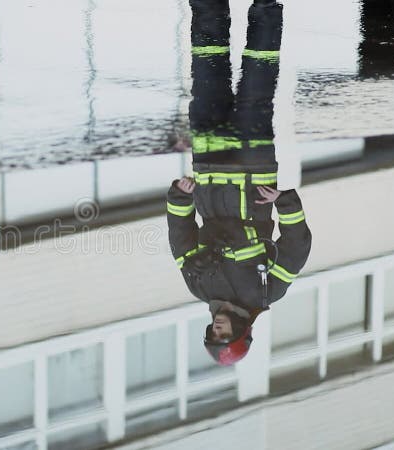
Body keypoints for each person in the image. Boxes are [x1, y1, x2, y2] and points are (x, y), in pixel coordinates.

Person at [167, 0, 311, 365]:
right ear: (241, 332)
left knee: (206, 73)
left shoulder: (200, 287)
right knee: (257, 81)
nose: (217, 327)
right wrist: (285, 202)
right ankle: (265, 7)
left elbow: (180, 242)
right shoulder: (267, 292)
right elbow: (297, 245)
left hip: (209, 166)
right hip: (252, 167)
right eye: (223, 334)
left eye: (212, 333)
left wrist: (179, 200)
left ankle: (207, 7)